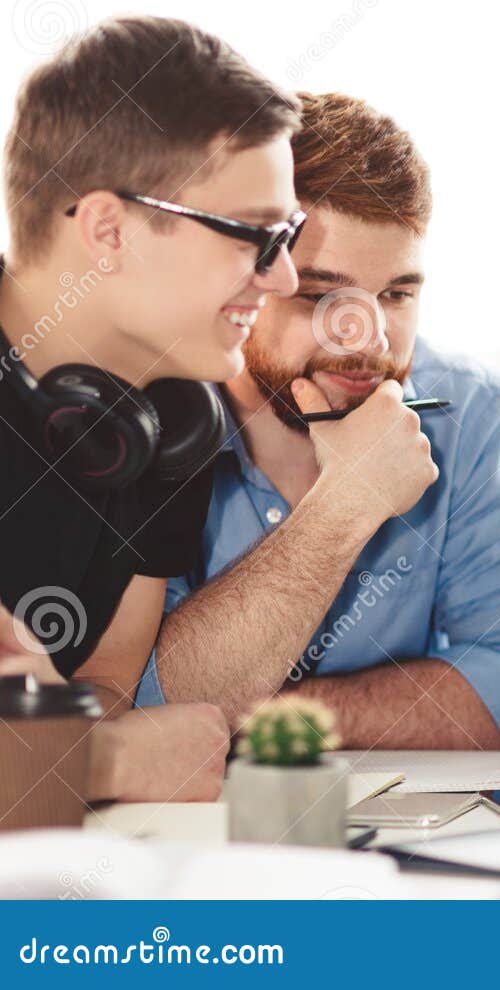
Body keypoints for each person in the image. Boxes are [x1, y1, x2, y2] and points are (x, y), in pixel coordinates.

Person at [135, 94, 500, 752]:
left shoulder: (476, 417)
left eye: (396, 294)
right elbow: (140, 706)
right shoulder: (148, 417)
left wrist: (273, 713)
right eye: (323, 294)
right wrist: (347, 504)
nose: (367, 334)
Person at [0, 16, 302, 800]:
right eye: (254, 236)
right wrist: (101, 763)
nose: (285, 280)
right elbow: (96, 738)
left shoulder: (178, 418)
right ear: (108, 229)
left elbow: (103, 680)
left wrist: (50, 741)